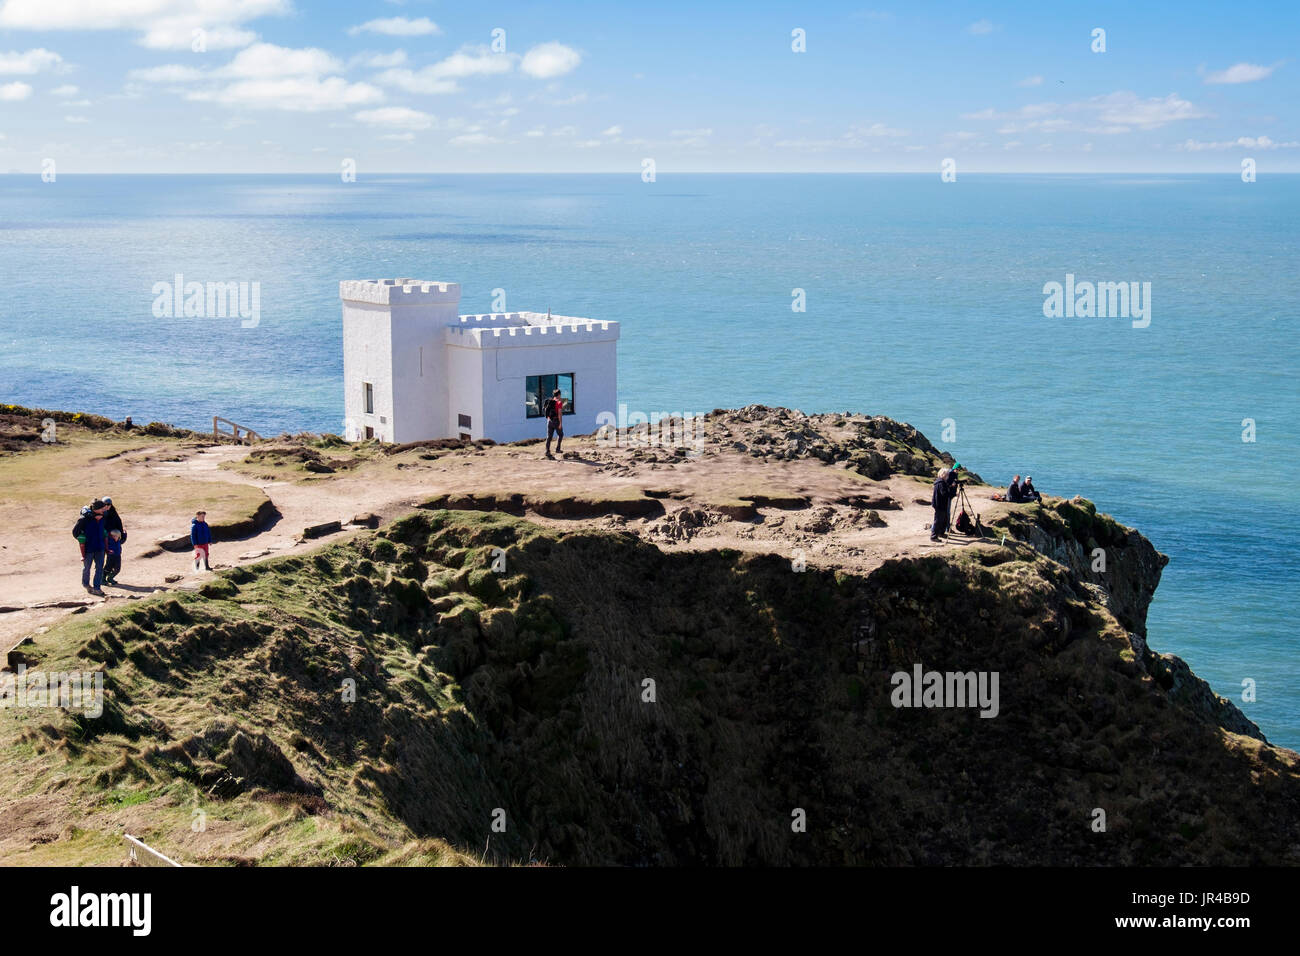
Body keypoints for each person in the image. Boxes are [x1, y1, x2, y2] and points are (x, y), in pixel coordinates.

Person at [73, 499, 109, 595]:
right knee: (87, 568)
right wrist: (82, 539)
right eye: (102, 508)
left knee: (99, 568)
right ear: (96, 509)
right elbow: (75, 532)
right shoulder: (84, 519)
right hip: (89, 548)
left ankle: (97, 588)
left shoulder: (104, 517)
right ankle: (86, 584)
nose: (104, 510)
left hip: (100, 547)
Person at [930, 467, 959, 542]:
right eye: (947, 475)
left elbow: (944, 492)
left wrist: (950, 487)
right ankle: (934, 536)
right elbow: (944, 494)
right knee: (938, 520)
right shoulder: (941, 483)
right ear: (943, 475)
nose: (948, 476)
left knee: (944, 519)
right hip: (940, 504)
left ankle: (941, 533)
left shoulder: (941, 482)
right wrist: (953, 494)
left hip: (941, 504)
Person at [543, 387, 565, 458]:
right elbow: (559, 413)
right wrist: (560, 423)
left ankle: (547, 451)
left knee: (549, 437)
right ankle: (558, 449)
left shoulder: (551, 401)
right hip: (556, 420)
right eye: (560, 394)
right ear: (558, 394)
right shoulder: (559, 402)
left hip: (549, 420)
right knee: (561, 434)